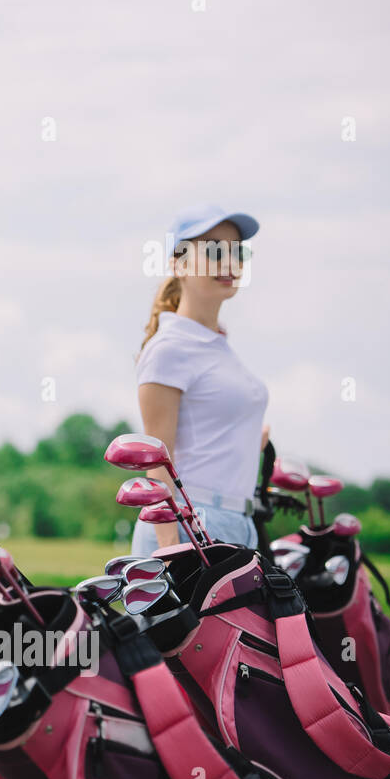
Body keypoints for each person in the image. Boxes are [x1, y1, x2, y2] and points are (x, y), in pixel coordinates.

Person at [132, 203, 270, 557]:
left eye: (237, 252)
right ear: (178, 264)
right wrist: (171, 554)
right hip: (189, 530)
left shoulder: (217, 345)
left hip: (237, 525)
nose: (230, 263)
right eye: (213, 251)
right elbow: (156, 463)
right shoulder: (169, 348)